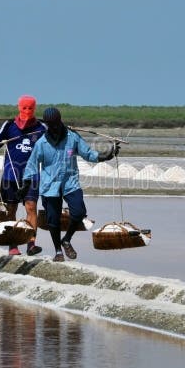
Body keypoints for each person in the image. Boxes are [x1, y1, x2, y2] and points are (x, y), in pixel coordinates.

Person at [20, 107, 118, 262]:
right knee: (53, 221)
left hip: (70, 183)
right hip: (49, 187)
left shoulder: (72, 138)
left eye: (58, 123)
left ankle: (66, 240)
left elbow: (88, 154)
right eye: (52, 125)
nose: (56, 127)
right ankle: (58, 251)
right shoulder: (42, 144)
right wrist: (25, 186)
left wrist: (107, 155)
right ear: (47, 125)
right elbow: (31, 165)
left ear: (60, 121)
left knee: (79, 212)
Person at [0, 95, 46, 256]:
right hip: (10, 175)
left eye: (30, 108)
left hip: (32, 176)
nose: (27, 111)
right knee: (10, 210)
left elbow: (54, 143)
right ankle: (13, 245)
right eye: (24, 108)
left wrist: (60, 129)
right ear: (19, 107)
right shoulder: (9, 125)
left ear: (34, 109)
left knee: (31, 208)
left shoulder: (42, 128)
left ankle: (31, 243)